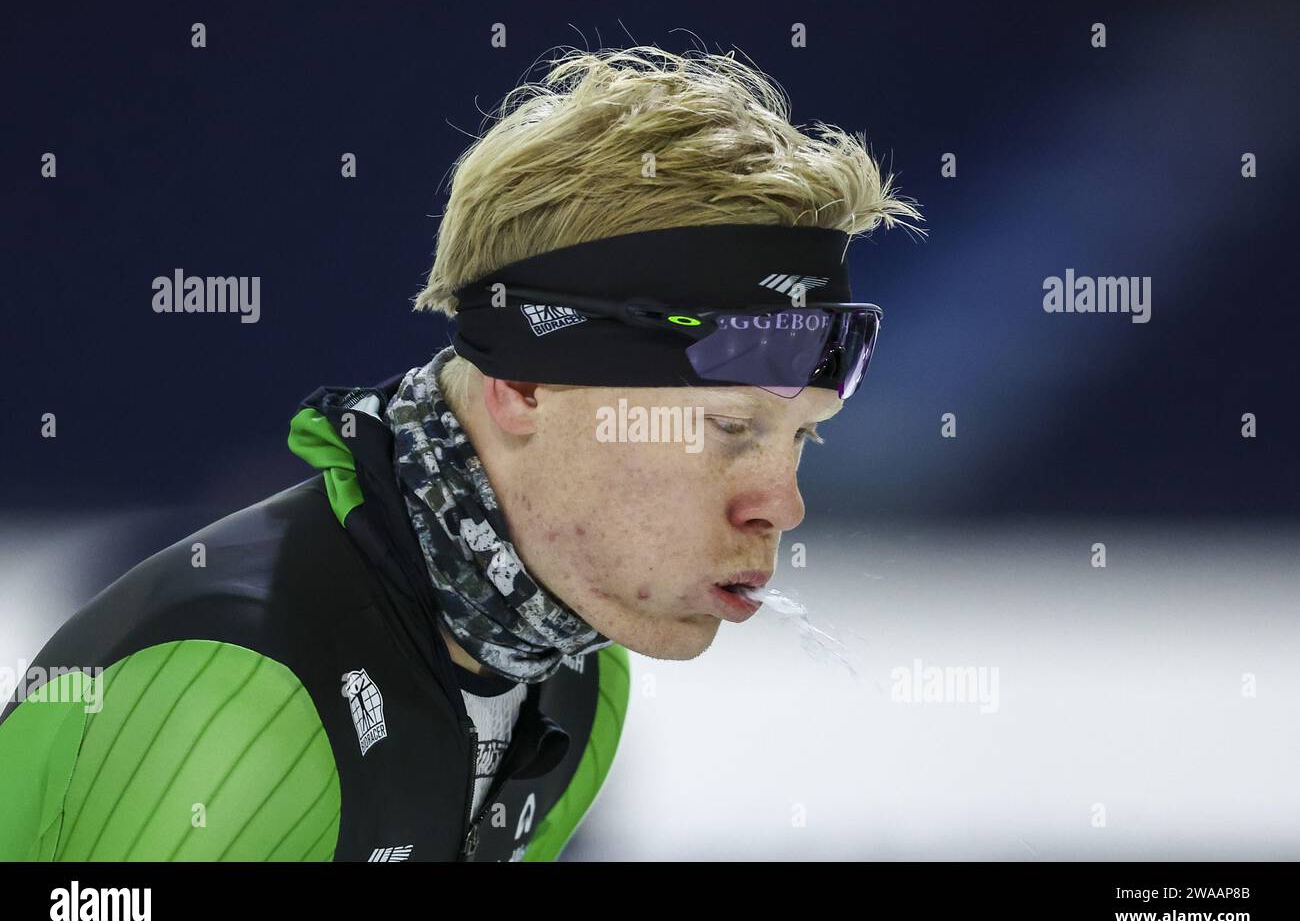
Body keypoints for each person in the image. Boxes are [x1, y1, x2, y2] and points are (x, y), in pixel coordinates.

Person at [0, 45, 920, 862]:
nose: (783, 505)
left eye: (800, 437)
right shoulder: (242, 696)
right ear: (523, 386)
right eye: (728, 429)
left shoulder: (572, 673)